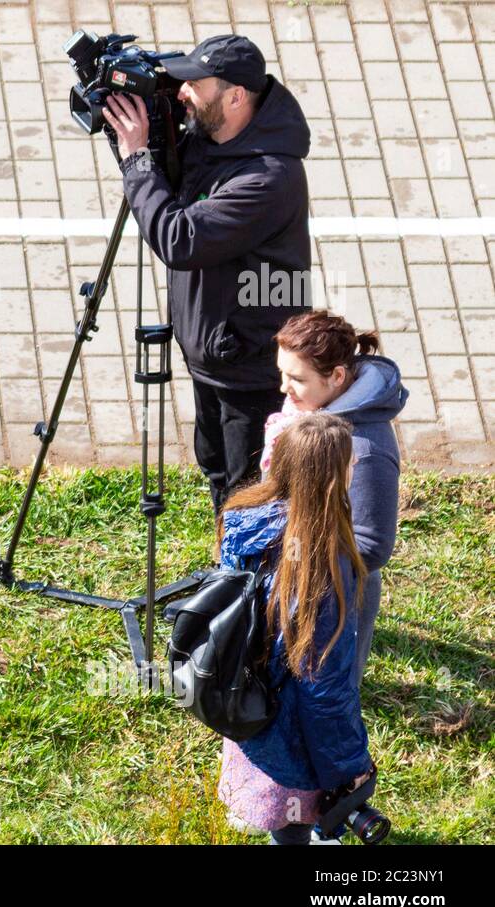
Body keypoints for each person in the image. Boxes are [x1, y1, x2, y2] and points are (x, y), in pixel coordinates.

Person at [104, 35, 312, 514]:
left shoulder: (267, 177)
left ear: (236, 96)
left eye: (194, 86)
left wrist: (137, 157)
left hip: (250, 364)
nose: (183, 94)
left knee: (250, 494)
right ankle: (228, 567)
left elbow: (178, 239)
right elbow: (165, 186)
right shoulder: (213, 135)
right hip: (214, 349)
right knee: (217, 469)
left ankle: (252, 581)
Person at [213, 413, 374, 845]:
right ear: (329, 482)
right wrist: (349, 766)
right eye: (349, 461)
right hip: (293, 736)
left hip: (245, 706)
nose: (356, 465)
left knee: (270, 806)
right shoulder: (326, 568)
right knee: (293, 826)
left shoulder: (244, 516)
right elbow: (324, 686)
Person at [263, 311, 408, 684]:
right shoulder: (308, 410)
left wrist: (303, 553)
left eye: (296, 378)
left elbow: (372, 546)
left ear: (337, 377)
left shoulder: (366, 449)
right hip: (294, 566)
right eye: (283, 373)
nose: (284, 389)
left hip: (336, 594)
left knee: (329, 694)